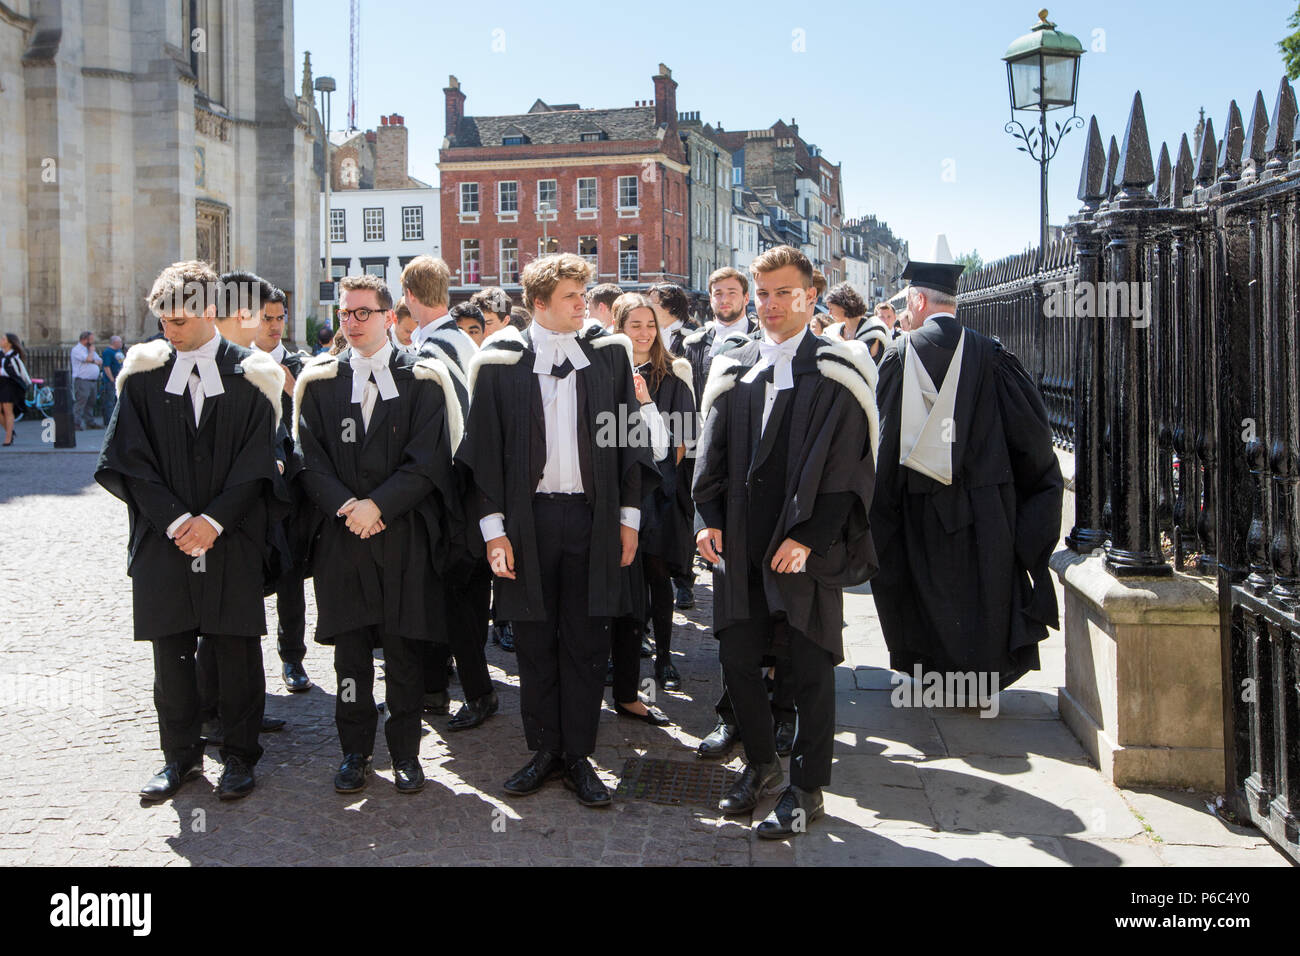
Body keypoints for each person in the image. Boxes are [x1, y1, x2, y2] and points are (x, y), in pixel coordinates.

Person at [456, 253, 658, 807]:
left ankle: (579, 755)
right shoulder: (498, 364)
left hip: (594, 519)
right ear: (538, 304)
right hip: (528, 520)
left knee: (588, 641)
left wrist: (629, 518)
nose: (584, 305)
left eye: (584, 294)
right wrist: (494, 533)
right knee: (535, 641)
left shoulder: (609, 357)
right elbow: (484, 458)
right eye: (572, 297)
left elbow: (628, 442)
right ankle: (543, 750)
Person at [693, 245, 878, 838]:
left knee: (809, 668)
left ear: (809, 295)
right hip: (742, 540)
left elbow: (851, 469)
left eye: (783, 293)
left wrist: (809, 537)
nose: (771, 304)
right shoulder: (734, 362)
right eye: (763, 292)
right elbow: (711, 454)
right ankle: (761, 765)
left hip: (802, 545)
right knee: (738, 660)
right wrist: (706, 518)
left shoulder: (836, 369)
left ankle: (807, 789)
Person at [95, 259, 288, 802]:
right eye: (161, 320)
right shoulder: (142, 378)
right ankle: (179, 759)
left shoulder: (254, 376)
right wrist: (181, 521)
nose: (168, 331)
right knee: (172, 653)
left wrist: (214, 522)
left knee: (235, 648)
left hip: (234, 535)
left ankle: (240, 757)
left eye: (178, 319)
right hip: (165, 538)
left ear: (209, 309)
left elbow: (259, 464)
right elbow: (130, 461)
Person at [293, 273, 460, 794]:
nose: (352, 322)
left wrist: (379, 506)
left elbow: (429, 458)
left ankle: (407, 753)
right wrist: (349, 506)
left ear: (390, 317)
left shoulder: (423, 380)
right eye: (345, 313)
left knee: (404, 653)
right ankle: (354, 752)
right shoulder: (319, 382)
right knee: (350, 658)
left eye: (363, 312)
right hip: (343, 539)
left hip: (402, 536)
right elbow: (307, 458)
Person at [870, 260, 1063, 693]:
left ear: (918, 300)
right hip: (987, 508)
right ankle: (980, 685)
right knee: (983, 593)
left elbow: (884, 445)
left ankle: (936, 680)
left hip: (919, 505)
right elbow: (1032, 439)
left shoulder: (900, 355)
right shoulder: (993, 355)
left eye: (908, 303)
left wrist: (879, 516)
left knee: (928, 590)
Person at [400, 255, 498, 731]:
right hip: (479, 488)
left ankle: (478, 693)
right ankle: (434, 689)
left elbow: (432, 434)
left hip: (449, 492)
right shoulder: (466, 339)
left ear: (410, 297)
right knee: (464, 596)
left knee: (450, 598)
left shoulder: (428, 354)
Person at [612, 292, 696, 698]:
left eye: (650, 325)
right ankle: (622, 657)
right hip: (616, 491)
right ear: (620, 329)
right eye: (635, 325)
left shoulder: (674, 376)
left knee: (657, 578)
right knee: (622, 578)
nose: (644, 333)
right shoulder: (605, 372)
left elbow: (676, 448)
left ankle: (664, 657)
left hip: (659, 492)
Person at [252, 282, 314, 694]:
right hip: (252, 494)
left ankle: (292, 657)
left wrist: (296, 389)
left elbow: (320, 423)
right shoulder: (238, 364)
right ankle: (244, 674)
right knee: (247, 581)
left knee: (291, 578)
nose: (275, 326)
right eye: (267, 318)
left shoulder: (303, 364)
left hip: (291, 491)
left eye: (280, 318)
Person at [824, 282, 891, 362]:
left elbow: (865, 362)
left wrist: (841, 343)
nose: (829, 313)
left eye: (831, 308)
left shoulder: (873, 330)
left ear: (842, 306)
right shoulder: (835, 331)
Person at [0, 332, 30, 446]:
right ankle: (10, 431)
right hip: (0, 383)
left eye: (3, 339)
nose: (1, 340)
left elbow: (17, 373)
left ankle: (8, 438)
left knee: (8, 410)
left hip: (9, 384)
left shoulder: (14, 357)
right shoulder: (0, 354)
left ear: (9, 343)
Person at [70, 330, 103, 430]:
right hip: (82, 380)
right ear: (85, 339)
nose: (93, 341)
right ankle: (75, 423)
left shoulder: (88, 349)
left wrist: (93, 358)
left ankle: (90, 422)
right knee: (81, 402)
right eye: (91, 339)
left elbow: (99, 360)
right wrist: (92, 354)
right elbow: (88, 359)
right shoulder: (77, 349)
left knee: (91, 402)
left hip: (92, 380)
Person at [647, 283, 691, 354]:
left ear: (668, 306)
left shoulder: (694, 336)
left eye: (651, 304)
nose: (647, 308)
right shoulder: (649, 334)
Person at [100, 335, 126, 426]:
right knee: (109, 401)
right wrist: (112, 379)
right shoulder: (108, 352)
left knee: (117, 401)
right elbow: (106, 367)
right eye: (120, 342)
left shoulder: (118, 351)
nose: (121, 343)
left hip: (119, 379)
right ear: (115, 342)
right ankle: (109, 421)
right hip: (111, 381)